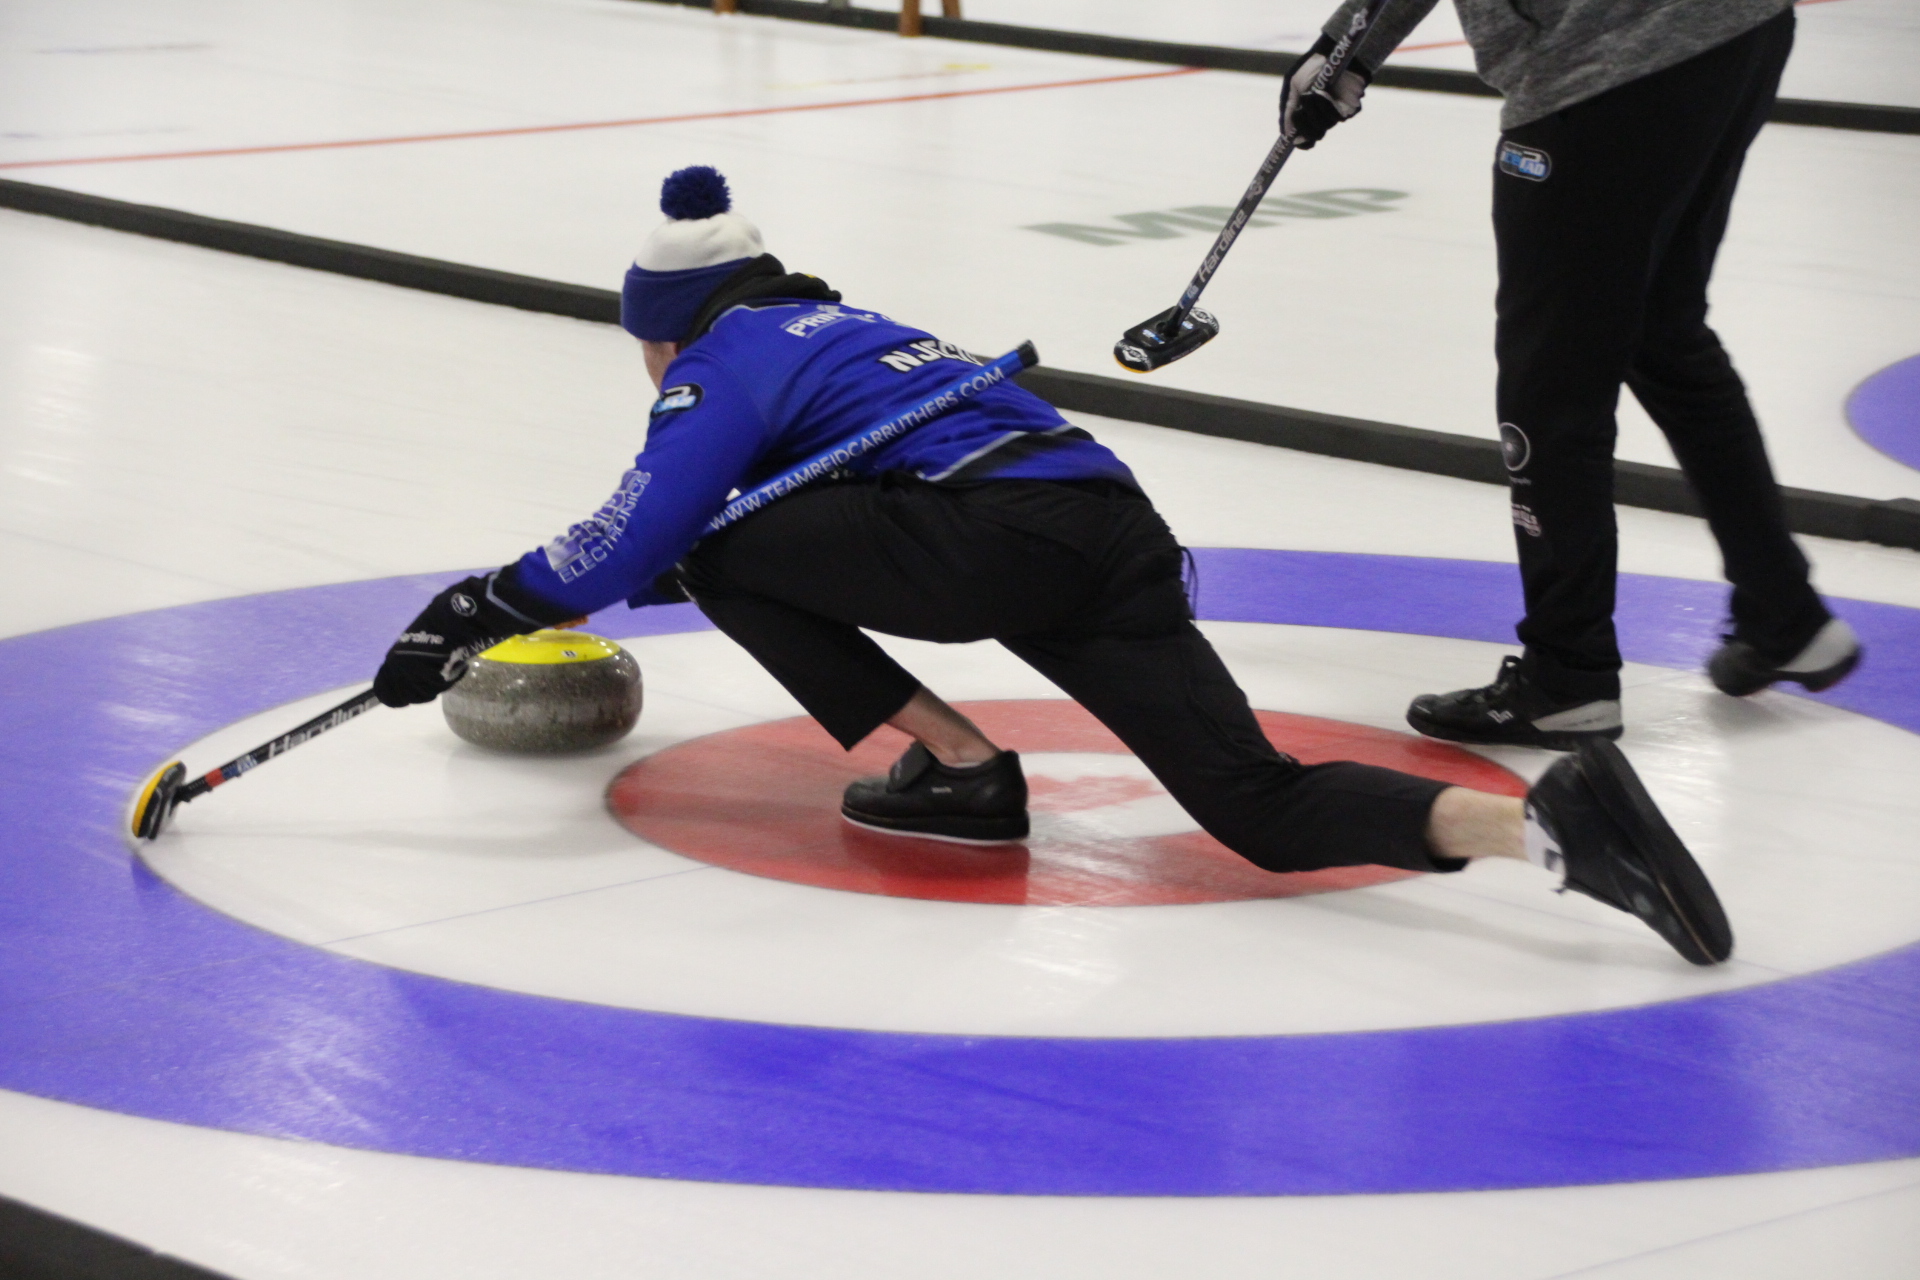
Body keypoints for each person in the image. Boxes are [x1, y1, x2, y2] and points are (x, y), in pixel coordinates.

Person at [372, 166, 1732, 965]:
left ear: (663, 326)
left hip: (1001, 542)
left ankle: (964, 773)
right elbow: (834, 513)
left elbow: (640, 525)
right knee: (1254, 803)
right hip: (1109, 536)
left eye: (642, 349)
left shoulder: (729, 357)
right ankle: (1556, 828)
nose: (649, 370)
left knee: (713, 547)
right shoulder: (856, 331)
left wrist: (476, 610)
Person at [1282, 0, 1861, 750]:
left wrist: (1345, 50)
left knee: (1549, 390)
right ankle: (1786, 614)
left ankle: (1568, 676)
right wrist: (1347, 50)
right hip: (1735, 32)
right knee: (1662, 330)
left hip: (1607, 64)